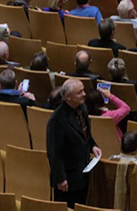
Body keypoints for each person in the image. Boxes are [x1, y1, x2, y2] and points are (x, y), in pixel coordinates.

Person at [45, 78, 103, 206]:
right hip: (67, 178)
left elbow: (85, 132)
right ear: (68, 97)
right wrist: (60, 178)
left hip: (82, 172)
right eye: (79, 92)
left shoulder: (82, 108)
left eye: (83, 90)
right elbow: (54, 153)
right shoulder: (56, 120)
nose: (84, 94)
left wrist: (93, 146)